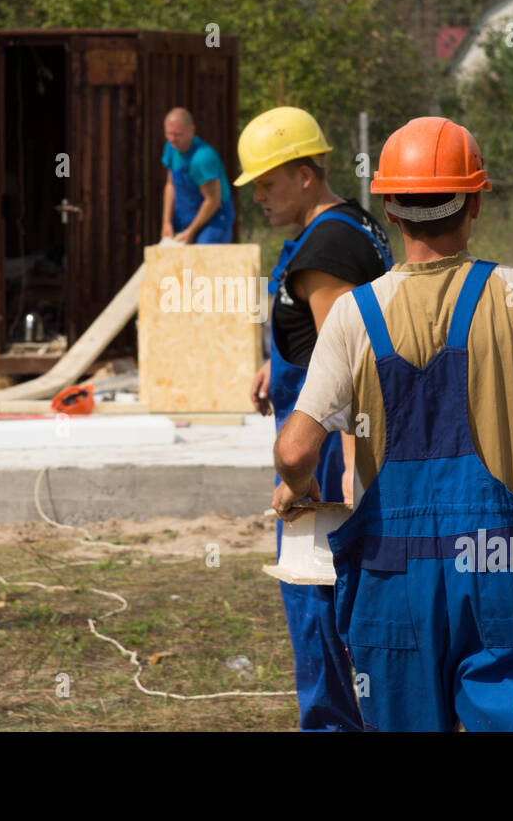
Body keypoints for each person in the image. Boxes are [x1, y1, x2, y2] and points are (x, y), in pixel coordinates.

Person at [272, 116, 513, 731]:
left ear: (389, 207)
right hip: (509, 567)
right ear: (475, 204)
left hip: (394, 575)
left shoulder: (355, 315)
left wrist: (299, 486)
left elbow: (295, 448)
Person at [233, 106, 393, 731]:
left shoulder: (325, 249)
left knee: (316, 588)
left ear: (305, 174)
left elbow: (348, 366)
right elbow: (319, 341)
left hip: (323, 446)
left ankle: (335, 725)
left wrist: (341, 466)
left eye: (267, 185)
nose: (260, 198)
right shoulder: (349, 225)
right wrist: (278, 363)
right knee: (334, 587)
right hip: (320, 432)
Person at [160, 107, 234, 244]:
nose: (172, 139)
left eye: (178, 134)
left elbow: (212, 200)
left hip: (214, 218)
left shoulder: (202, 158)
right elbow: (170, 185)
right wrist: (166, 223)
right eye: (169, 134)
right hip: (186, 215)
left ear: (191, 130)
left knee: (204, 258)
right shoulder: (171, 148)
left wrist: (191, 231)